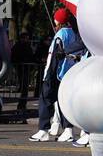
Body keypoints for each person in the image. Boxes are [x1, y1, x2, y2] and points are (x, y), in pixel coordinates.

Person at [30, 9, 83, 142]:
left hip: (56, 72)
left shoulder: (61, 33)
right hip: (69, 71)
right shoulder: (74, 33)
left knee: (46, 100)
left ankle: (43, 130)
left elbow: (54, 55)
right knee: (63, 102)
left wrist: (48, 76)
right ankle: (68, 130)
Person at [11, 30, 36, 112]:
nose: (26, 40)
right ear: (21, 38)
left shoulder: (27, 46)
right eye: (25, 38)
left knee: (25, 88)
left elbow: (31, 56)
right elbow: (14, 56)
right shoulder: (18, 46)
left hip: (26, 68)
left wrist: (31, 65)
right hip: (21, 68)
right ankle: (21, 105)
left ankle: (22, 104)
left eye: (27, 38)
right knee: (23, 87)